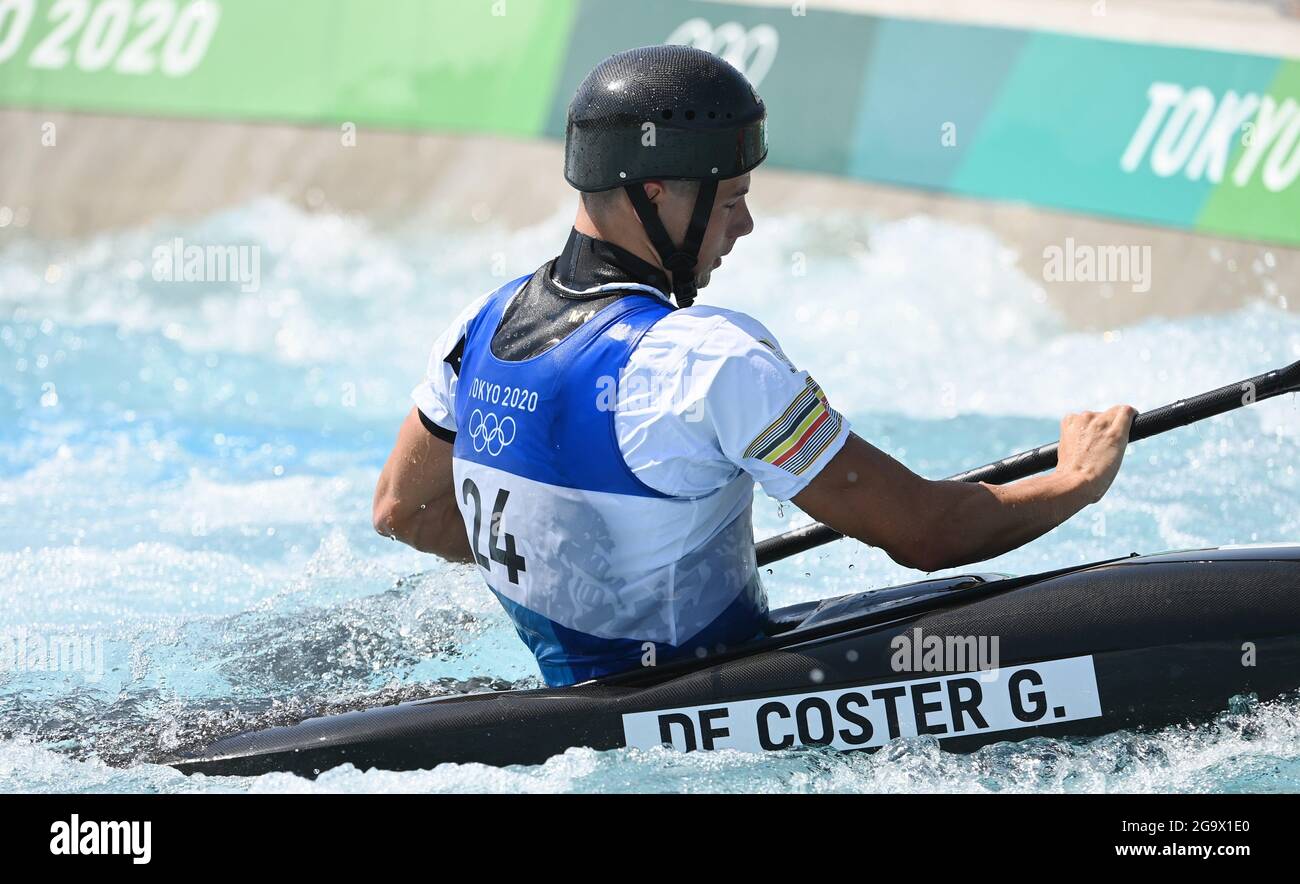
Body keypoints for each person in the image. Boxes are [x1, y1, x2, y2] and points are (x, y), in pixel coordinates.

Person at [373, 45, 1136, 687]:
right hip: (711, 706)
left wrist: (587, 572)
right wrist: (1075, 481)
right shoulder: (709, 360)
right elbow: (926, 533)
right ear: (655, 192)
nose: (745, 223)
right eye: (730, 197)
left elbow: (403, 512)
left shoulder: (479, 323)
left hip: (575, 703)